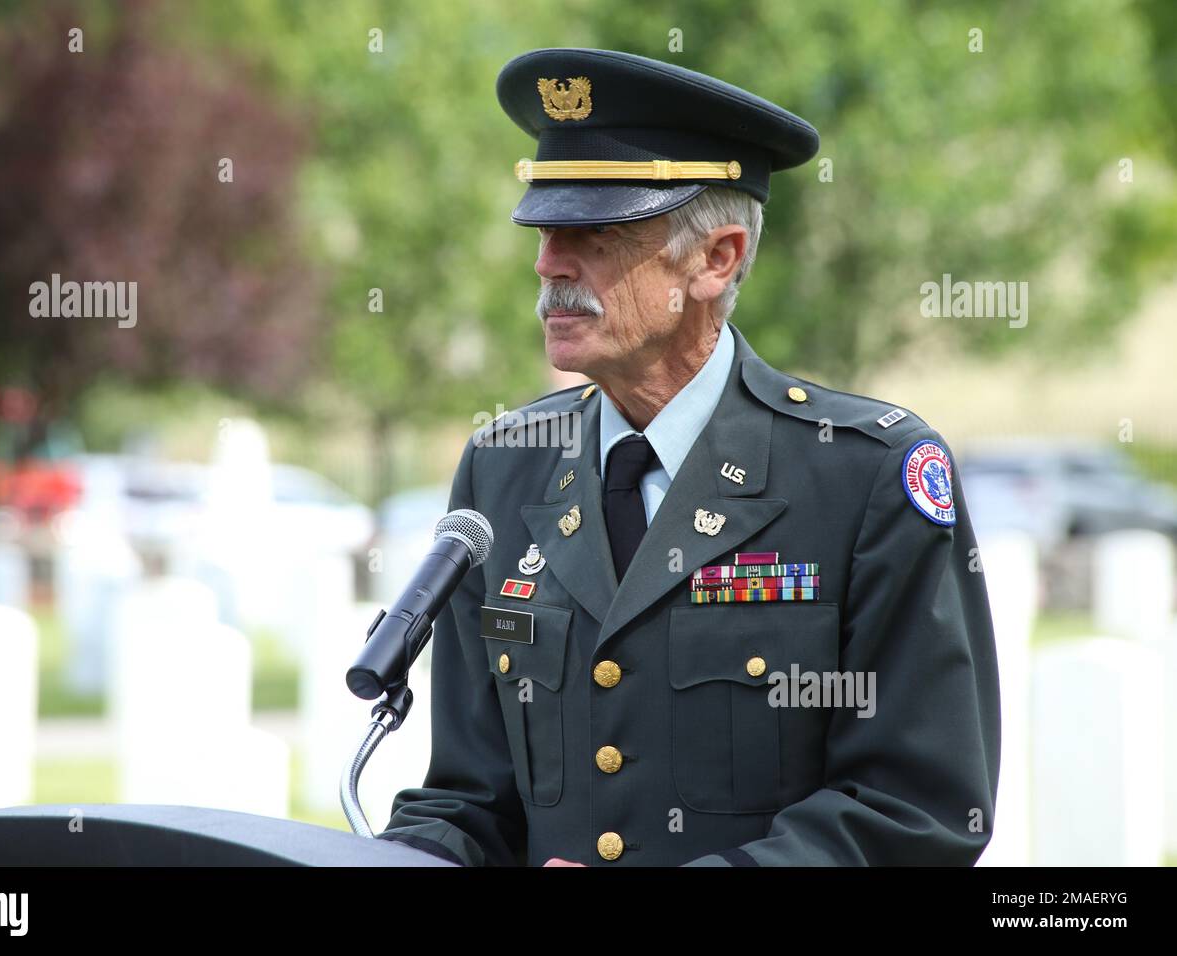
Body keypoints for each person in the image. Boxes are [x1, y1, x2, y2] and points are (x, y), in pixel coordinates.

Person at [374, 47, 1001, 866]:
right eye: (543, 226)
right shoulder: (504, 469)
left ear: (718, 258)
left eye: (595, 233)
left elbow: (917, 810)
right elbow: (471, 797)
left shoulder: (868, 474)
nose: (547, 262)